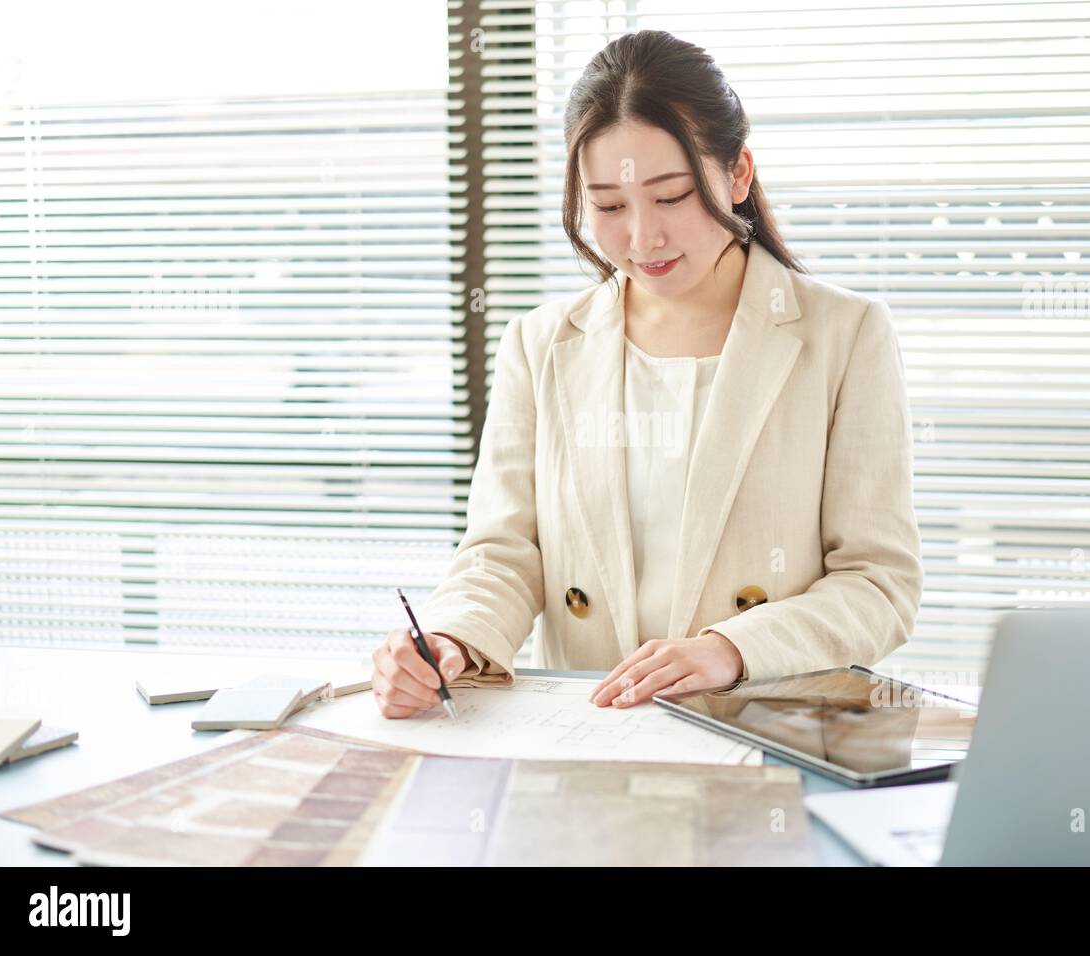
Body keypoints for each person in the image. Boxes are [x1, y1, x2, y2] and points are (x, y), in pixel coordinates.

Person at [371, 29, 923, 719]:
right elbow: (504, 553)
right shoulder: (541, 343)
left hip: (767, 734)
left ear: (739, 174)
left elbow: (878, 582)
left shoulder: (845, 336)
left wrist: (730, 647)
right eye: (607, 206)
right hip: (586, 743)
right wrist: (451, 640)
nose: (642, 238)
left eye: (671, 196)